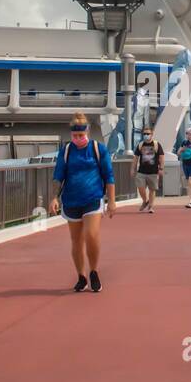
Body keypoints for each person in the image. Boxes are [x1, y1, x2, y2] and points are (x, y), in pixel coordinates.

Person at [49, 112, 117, 292]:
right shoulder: (66, 151)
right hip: (71, 200)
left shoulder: (98, 149)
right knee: (76, 240)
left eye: (81, 135)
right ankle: (81, 275)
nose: (78, 138)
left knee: (91, 235)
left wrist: (111, 201)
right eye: (75, 136)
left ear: (87, 132)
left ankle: (93, 271)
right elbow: (58, 176)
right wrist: (54, 197)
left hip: (93, 198)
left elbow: (108, 176)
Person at [132, 126, 164, 214]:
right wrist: (132, 169)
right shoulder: (140, 145)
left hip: (153, 172)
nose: (146, 135)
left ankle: (150, 206)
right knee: (140, 187)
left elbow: (161, 157)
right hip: (141, 171)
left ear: (152, 134)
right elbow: (135, 158)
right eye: (144, 134)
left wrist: (161, 168)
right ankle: (145, 200)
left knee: (152, 190)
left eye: (148, 134)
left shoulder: (157, 144)